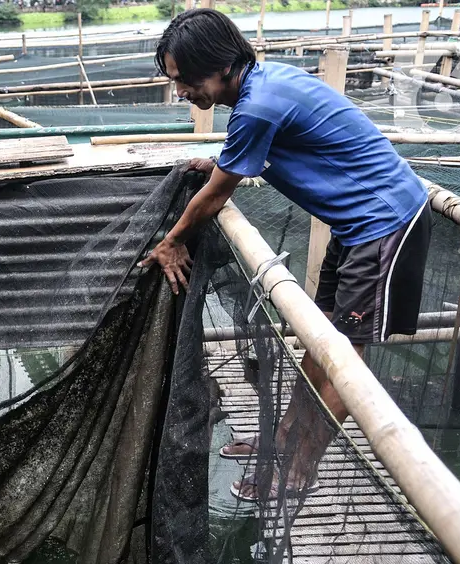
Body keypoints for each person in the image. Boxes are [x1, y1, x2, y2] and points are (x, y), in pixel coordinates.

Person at [140, 10, 431, 500]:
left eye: (185, 79)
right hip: (354, 226)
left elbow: (216, 196)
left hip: (386, 224)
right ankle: (283, 439)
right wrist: (222, 161)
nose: (182, 90)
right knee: (322, 341)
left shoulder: (258, 105)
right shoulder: (262, 88)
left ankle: (298, 469)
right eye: (175, 81)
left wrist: (172, 241)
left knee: (344, 357)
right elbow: (257, 154)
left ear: (220, 65)